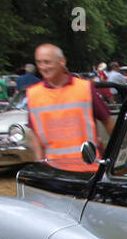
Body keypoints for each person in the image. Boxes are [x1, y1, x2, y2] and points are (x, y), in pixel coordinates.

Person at [27, 43, 115, 171]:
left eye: (47, 62)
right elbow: (34, 134)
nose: (43, 67)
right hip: (54, 169)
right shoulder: (33, 94)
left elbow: (108, 122)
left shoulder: (84, 88)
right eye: (39, 62)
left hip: (89, 168)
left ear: (62, 61)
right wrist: (40, 164)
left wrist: (115, 156)